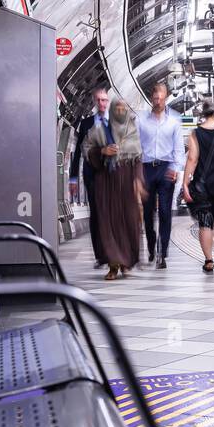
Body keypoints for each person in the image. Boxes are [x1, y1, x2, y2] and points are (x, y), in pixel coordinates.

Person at [82, 95, 144, 280]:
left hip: (126, 183)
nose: (119, 111)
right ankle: (113, 264)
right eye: (116, 108)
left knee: (128, 223)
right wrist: (102, 151)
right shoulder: (99, 130)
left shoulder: (132, 131)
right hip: (106, 183)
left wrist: (138, 180)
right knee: (108, 223)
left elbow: (138, 158)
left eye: (123, 108)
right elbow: (87, 149)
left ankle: (126, 260)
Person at [137, 81, 185, 269]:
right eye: (155, 98)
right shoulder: (141, 119)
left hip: (166, 168)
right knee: (148, 212)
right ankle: (151, 245)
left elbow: (179, 148)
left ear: (166, 98)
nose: (158, 101)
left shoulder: (174, 120)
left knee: (165, 211)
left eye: (162, 98)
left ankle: (162, 252)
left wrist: (175, 168)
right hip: (147, 168)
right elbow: (136, 146)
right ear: (151, 98)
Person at [182, 99, 214, 275]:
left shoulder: (195, 133)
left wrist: (185, 183)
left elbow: (192, 159)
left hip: (203, 186)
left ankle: (209, 260)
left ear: (202, 114)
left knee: (205, 223)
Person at [69, 88, 111, 267]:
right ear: (94, 102)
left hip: (111, 174)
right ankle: (100, 255)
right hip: (91, 175)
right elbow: (78, 152)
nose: (102, 103)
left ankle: (111, 250)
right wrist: (72, 179)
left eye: (104, 100)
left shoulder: (115, 123)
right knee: (96, 213)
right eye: (99, 100)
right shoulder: (86, 124)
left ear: (108, 102)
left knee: (109, 213)